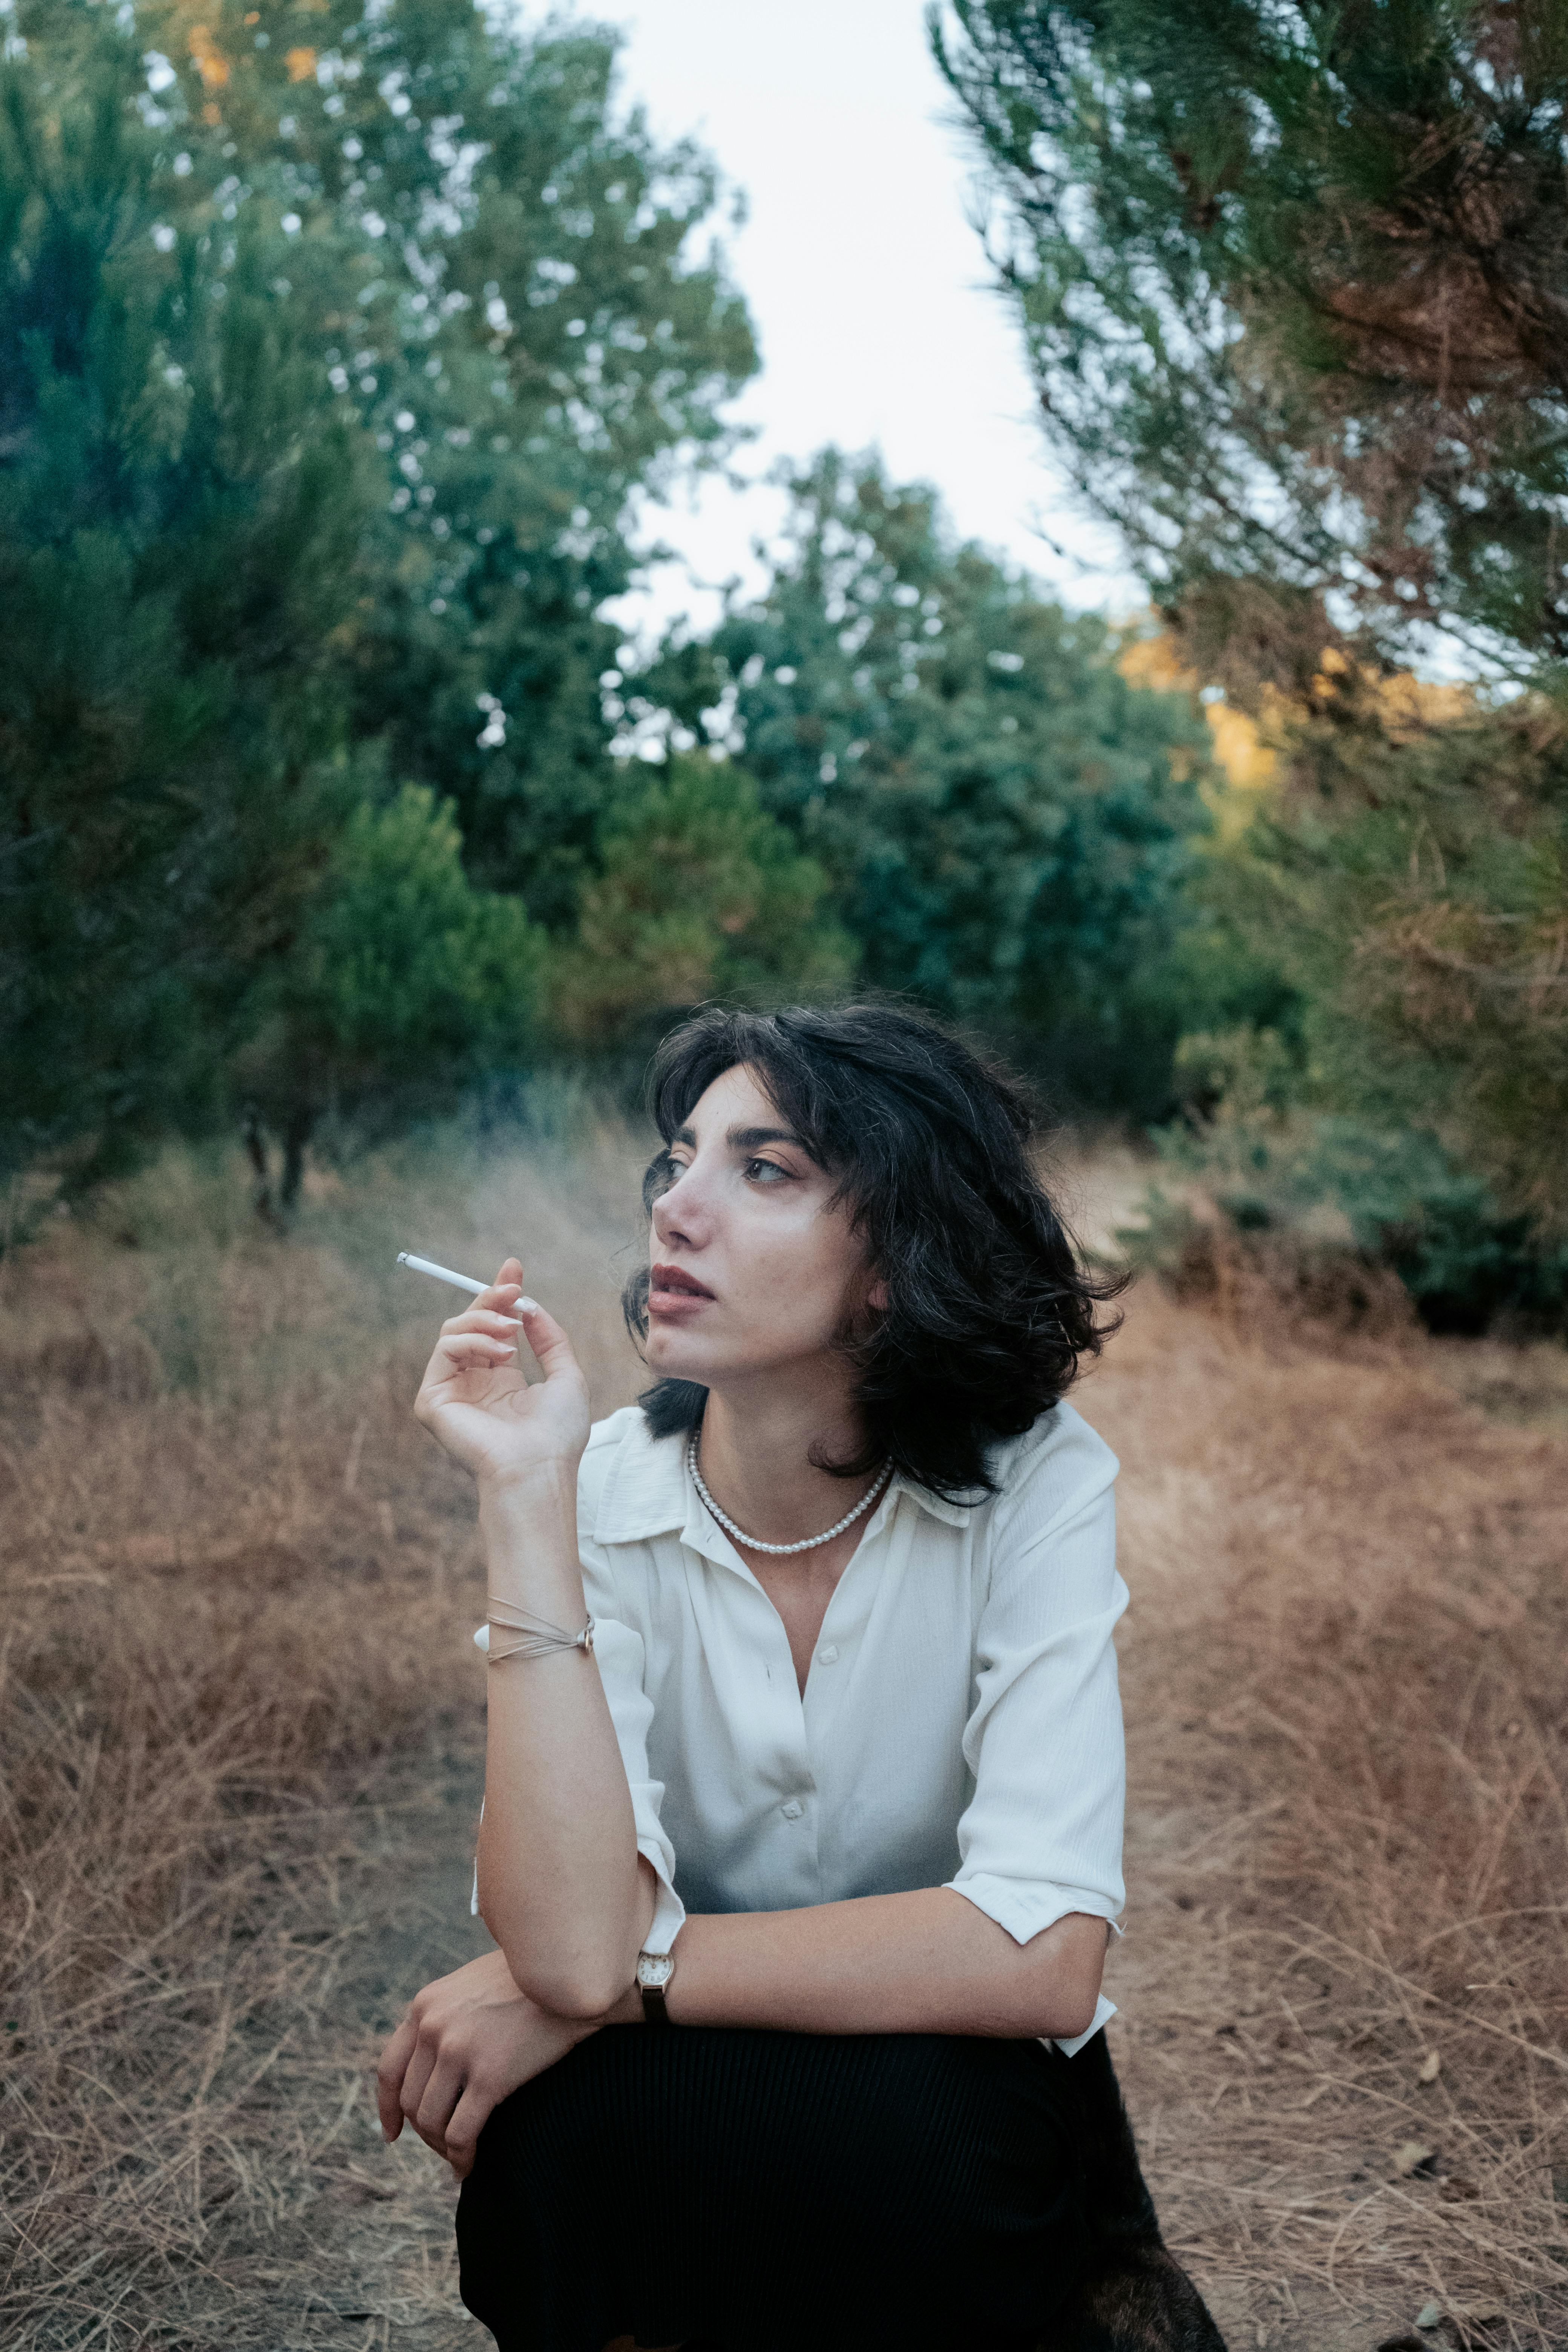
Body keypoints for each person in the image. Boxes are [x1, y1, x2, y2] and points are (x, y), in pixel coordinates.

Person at [376, 1003, 1225, 2352]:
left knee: (937, 2157)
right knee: (549, 2153)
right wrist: (526, 1499)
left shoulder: (1036, 1479)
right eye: (679, 1160)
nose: (675, 1210)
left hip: (952, 2079)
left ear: (893, 1263)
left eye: (763, 1170)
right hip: (671, 2072)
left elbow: (1043, 1957)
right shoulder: (596, 1487)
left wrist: (623, 1980)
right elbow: (563, 1936)